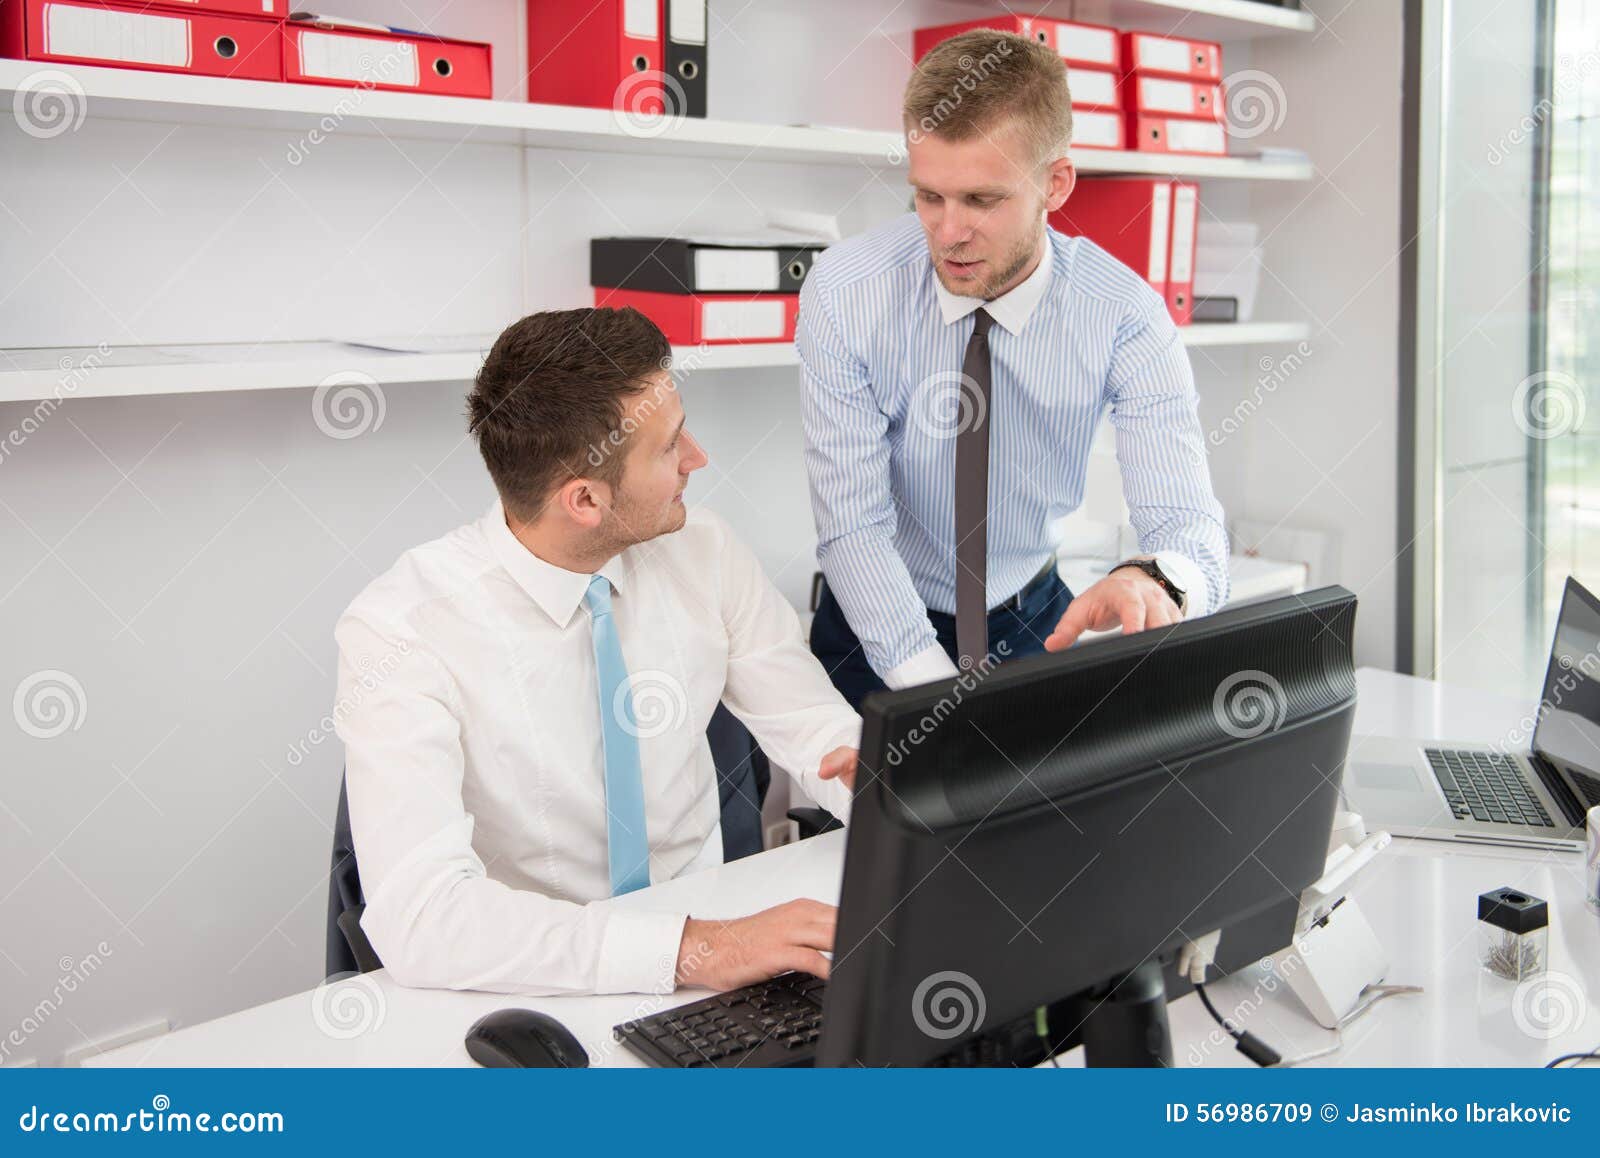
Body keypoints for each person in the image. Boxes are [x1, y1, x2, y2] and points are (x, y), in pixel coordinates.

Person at [334, 307, 857, 996]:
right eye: (669, 448)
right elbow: (423, 916)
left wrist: (902, 793)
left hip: (723, 944)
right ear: (584, 500)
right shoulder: (401, 629)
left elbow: (817, 731)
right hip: (533, 976)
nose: (697, 458)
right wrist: (692, 949)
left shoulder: (706, 550)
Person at [800, 29, 1229, 708]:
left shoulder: (1124, 314)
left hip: (1031, 623)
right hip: (872, 627)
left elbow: (1189, 526)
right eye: (928, 196)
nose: (948, 233)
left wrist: (1153, 579)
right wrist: (934, 698)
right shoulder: (846, 290)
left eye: (981, 200)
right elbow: (853, 524)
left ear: (1055, 184)